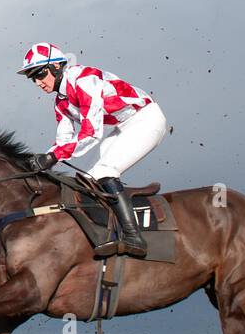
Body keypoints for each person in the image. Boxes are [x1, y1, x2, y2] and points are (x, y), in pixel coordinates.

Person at [17, 42, 167, 256]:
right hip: (122, 125)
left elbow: (91, 133)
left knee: (105, 171)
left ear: (57, 67)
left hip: (146, 119)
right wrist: (42, 160)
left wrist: (53, 156)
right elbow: (63, 140)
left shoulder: (84, 81)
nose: (38, 82)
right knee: (86, 178)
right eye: (32, 78)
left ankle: (134, 237)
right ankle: (108, 232)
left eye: (40, 74)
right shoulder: (60, 103)